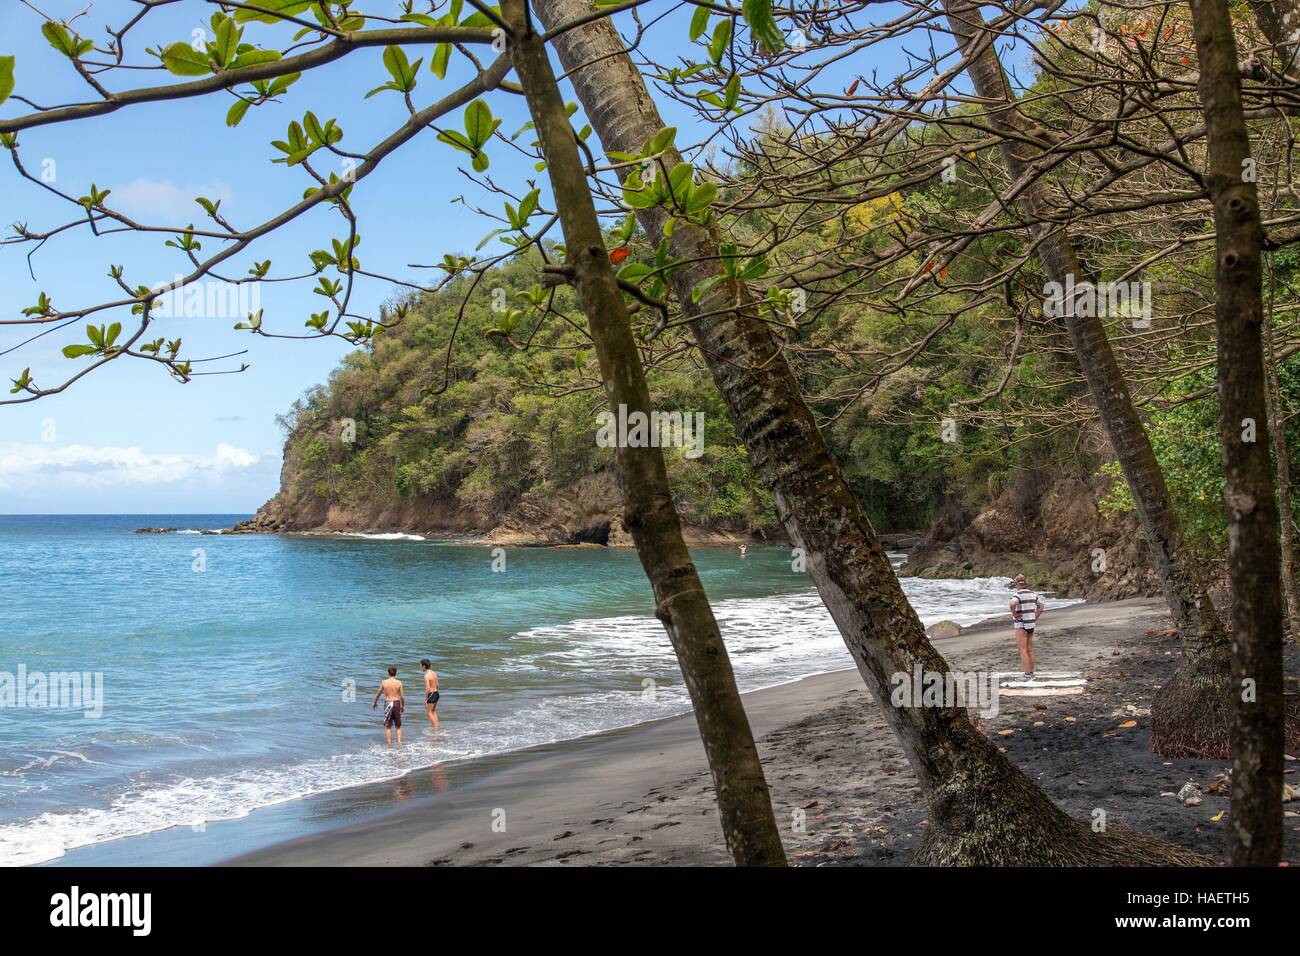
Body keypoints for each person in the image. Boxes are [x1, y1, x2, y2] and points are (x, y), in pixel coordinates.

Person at [1010, 574, 1045, 680]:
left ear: (1016, 583)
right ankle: (1031, 672)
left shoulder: (1018, 595)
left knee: (1023, 649)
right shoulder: (1033, 594)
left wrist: (1014, 613)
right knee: (1029, 649)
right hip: (1030, 623)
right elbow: (1041, 606)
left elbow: (1013, 603)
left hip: (1021, 624)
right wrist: (1034, 617)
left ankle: (1027, 674)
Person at [372, 666, 405, 745]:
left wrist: (375, 702)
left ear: (388, 673)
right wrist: (403, 706)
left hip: (388, 703)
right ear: (396, 673)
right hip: (397, 702)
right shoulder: (399, 682)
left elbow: (378, 694)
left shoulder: (384, 682)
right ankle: (399, 743)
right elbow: (402, 696)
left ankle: (389, 744)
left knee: (388, 726)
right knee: (398, 726)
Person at [420, 658, 440, 728]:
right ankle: (436, 726)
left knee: (429, 713)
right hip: (437, 693)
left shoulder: (426, 676)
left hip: (431, 694)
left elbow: (427, 688)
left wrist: (425, 698)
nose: (420, 668)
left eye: (420, 666)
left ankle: (434, 728)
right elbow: (437, 684)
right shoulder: (434, 673)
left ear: (424, 666)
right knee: (433, 712)